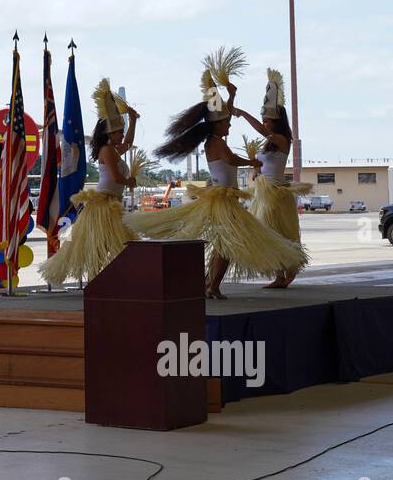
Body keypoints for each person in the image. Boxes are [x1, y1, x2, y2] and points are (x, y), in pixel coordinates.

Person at [125, 50, 305, 299]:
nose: (230, 124)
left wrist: (232, 95)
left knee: (229, 243)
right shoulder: (216, 142)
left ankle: (212, 283)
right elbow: (231, 157)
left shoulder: (278, 139)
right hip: (226, 198)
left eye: (266, 119)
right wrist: (250, 160)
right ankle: (211, 284)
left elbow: (232, 121)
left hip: (244, 196)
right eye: (226, 122)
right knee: (227, 243)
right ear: (218, 125)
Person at [40, 79, 141, 287]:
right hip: (104, 204)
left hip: (110, 203)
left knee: (111, 245)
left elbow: (128, 143)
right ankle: (96, 281)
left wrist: (133, 120)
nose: (122, 135)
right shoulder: (107, 151)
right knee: (103, 246)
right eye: (119, 132)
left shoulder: (112, 150)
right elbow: (116, 178)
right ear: (109, 133)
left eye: (121, 131)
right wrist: (129, 181)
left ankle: (101, 280)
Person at [230, 68, 311, 288]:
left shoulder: (283, 139)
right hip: (263, 193)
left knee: (276, 232)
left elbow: (261, 131)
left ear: (275, 122)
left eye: (266, 121)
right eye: (263, 121)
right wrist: (256, 170)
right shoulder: (269, 143)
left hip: (275, 195)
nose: (264, 123)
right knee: (268, 233)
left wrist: (242, 113)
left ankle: (287, 271)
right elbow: (264, 163)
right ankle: (280, 274)